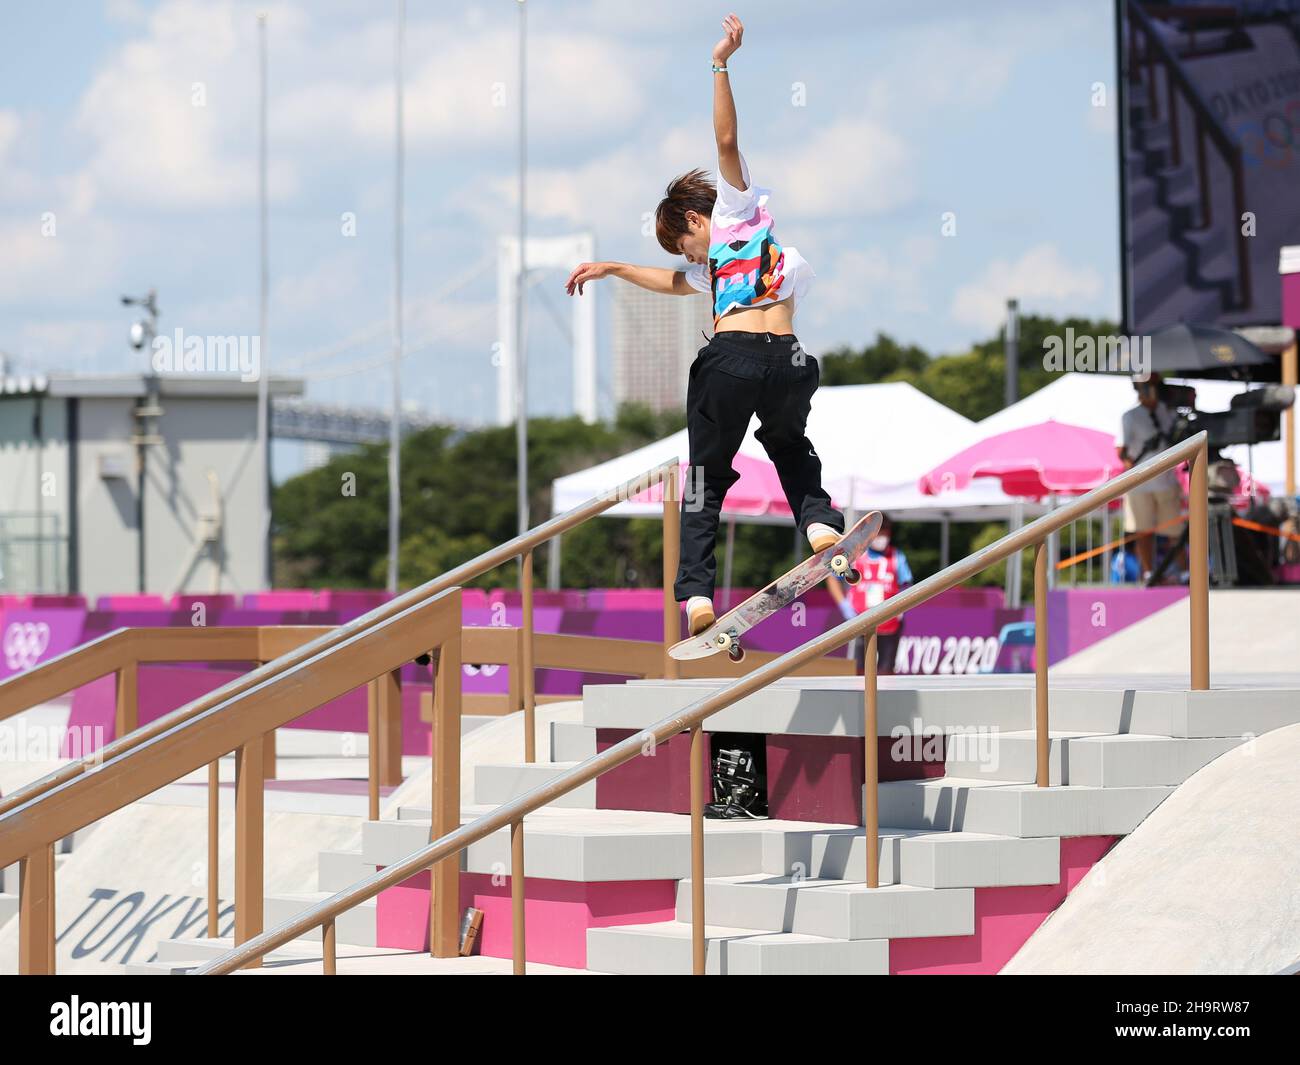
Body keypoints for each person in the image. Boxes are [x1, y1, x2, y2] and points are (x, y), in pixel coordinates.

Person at [565, 13, 845, 636]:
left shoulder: (733, 207)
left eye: (685, 244)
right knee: (790, 446)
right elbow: (670, 282)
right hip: (792, 361)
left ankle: (695, 594)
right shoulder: (770, 258)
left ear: (697, 217)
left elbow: (725, 143)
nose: (691, 259)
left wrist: (720, 64)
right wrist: (613, 266)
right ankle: (820, 520)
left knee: (704, 478)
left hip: (733, 359)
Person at [1116, 373, 1186, 582]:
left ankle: (1184, 571)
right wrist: (1134, 473)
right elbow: (1121, 450)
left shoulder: (1169, 413)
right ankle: (1148, 572)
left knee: (1175, 530)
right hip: (1141, 484)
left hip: (1166, 481)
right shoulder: (1130, 416)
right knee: (1142, 530)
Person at [826, 514, 912, 674]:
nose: (882, 537)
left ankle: (886, 699)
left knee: (887, 671)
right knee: (859, 671)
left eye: (885, 533)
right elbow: (832, 578)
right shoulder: (853, 555)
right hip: (860, 624)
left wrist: (902, 608)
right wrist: (844, 606)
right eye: (879, 533)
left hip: (890, 624)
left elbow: (906, 584)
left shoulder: (897, 557)